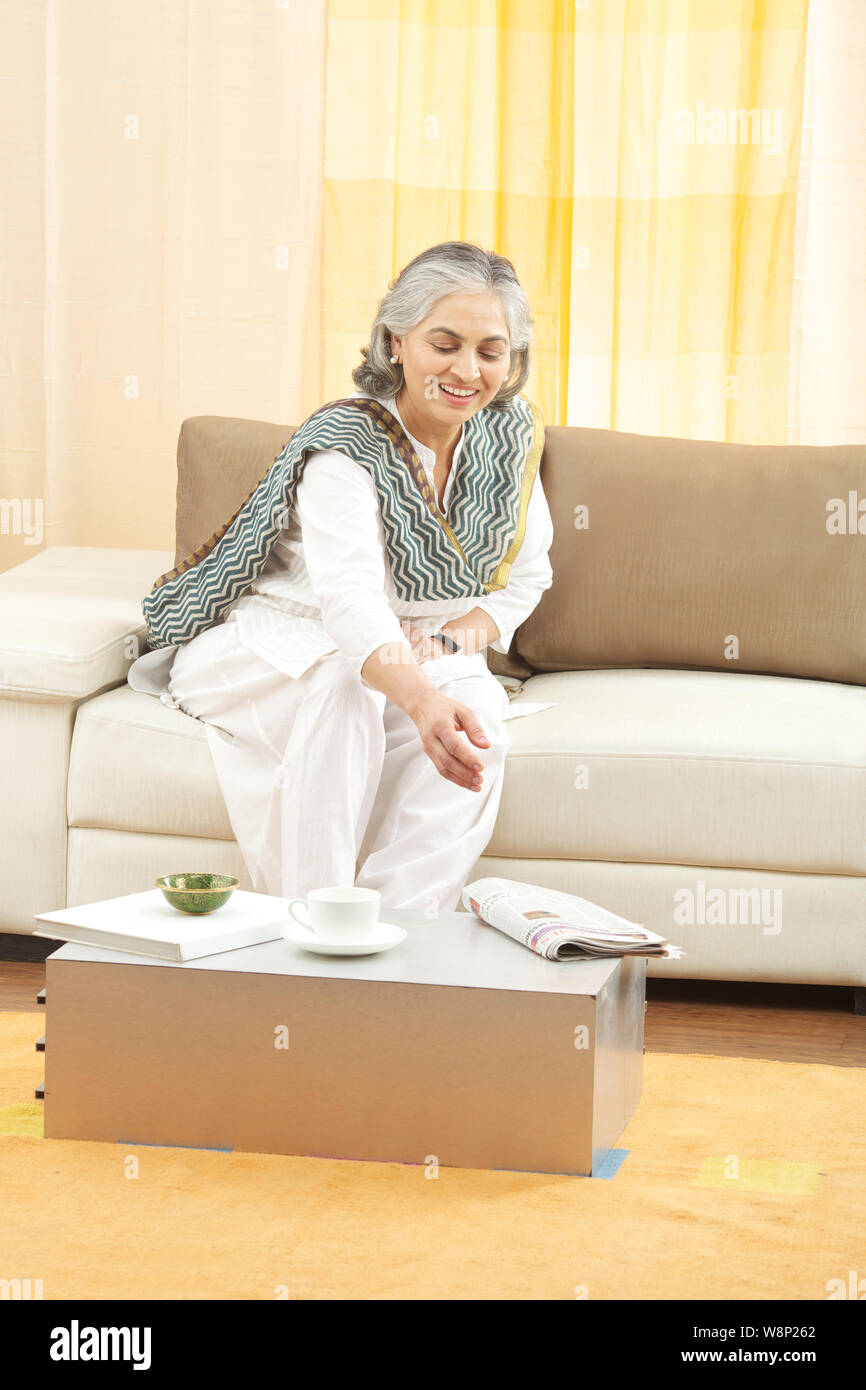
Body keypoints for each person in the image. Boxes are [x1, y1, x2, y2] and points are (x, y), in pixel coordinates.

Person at [127, 241, 554, 914]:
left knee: (480, 727)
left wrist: (442, 652)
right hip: (280, 636)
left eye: (490, 351)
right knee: (345, 687)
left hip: (419, 639)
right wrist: (417, 700)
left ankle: (397, 936)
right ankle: (319, 926)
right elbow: (351, 604)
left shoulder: (508, 439)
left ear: (512, 358)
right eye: (444, 344)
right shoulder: (347, 447)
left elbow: (522, 584)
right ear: (397, 341)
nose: (467, 370)